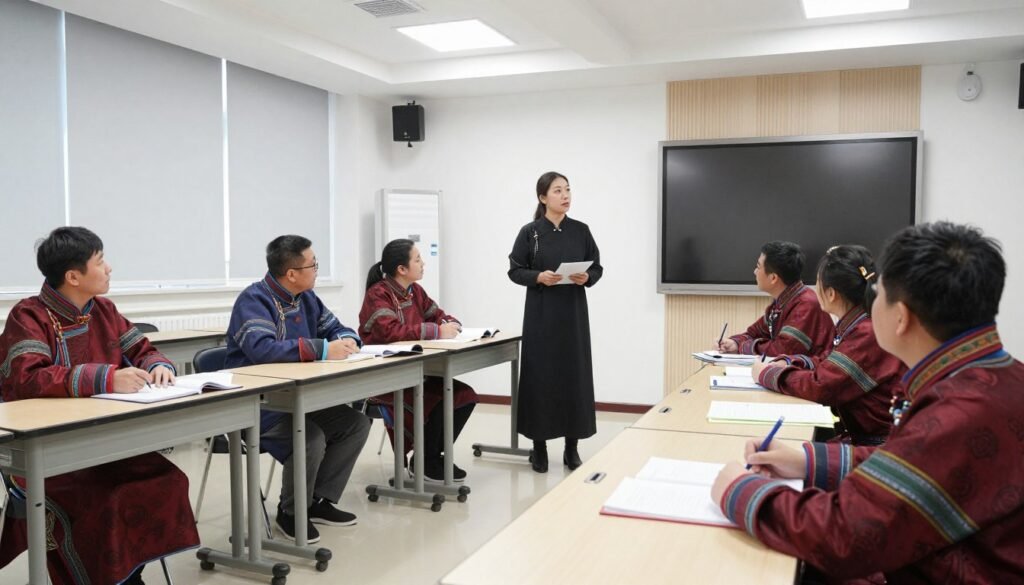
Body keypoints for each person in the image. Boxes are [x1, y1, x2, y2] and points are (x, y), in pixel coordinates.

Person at [712, 222, 1024, 583]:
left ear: (900, 317)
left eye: (878, 295)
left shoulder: (957, 412)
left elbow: (848, 537)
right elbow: (911, 462)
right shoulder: (993, 377)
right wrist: (808, 461)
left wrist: (740, 491)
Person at [0, 227, 198, 585]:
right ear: (73, 276)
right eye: (100, 261)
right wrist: (106, 378)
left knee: (167, 480)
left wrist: (158, 366)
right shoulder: (28, 316)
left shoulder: (104, 310)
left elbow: (143, 350)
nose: (109, 268)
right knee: (107, 498)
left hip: (106, 443)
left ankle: (128, 573)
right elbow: (28, 379)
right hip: (50, 450)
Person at [225, 235, 370, 544]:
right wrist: (323, 349)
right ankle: (290, 512)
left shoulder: (306, 297)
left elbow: (336, 328)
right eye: (312, 265)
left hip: (299, 398)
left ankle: (314, 501)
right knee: (310, 437)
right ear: (291, 273)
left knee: (355, 424)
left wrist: (347, 340)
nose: (317, 270)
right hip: (257, 404)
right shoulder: (254, 300)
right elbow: (263, 349)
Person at [751, 245, 905, 445]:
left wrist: (767, 374)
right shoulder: (857, 323)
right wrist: (789, 362)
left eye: (817, 282)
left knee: (789, 453)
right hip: (860, 436)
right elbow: (827, 361)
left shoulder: (866, 332)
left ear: (831, 293)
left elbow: (820, 386)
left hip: (876, 445)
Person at [358, 239, 478, 482]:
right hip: (386, 377)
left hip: (417, 372)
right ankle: (426, 460)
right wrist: (437, 331)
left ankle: (429, 457)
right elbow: (390, 332)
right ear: (402, 269)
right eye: (417, 259)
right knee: (439, 398)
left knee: (464, 396)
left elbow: (437, 314)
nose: (423, 263)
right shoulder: (378, 294)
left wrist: (449, 323)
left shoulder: (415, 291)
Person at [508, 171, 603, 473]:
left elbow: (597, 267)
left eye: (568, 190)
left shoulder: (581, 230)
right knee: (541, 378)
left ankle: (571, 448)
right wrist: (538, 276)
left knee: (574, 378)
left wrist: (587, 277)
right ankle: (539, 448)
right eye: (558, 191)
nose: (565, 196)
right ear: (542, 197)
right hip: (541, 315)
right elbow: (515, 270)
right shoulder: (530, 233)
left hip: (573, 316)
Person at [718, 241, 833, 357]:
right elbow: (754, 333)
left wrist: (743, 347)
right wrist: (735, 343)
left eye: (758, 267)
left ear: (773, 278)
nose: (755, 271)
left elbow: (782, 350)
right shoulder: (782, 301)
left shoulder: (806, 304)